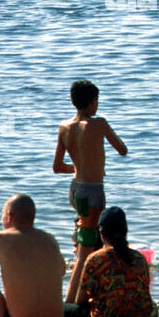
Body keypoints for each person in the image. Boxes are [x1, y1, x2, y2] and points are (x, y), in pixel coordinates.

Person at [54, 79, 127, 303]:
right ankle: (71, 303)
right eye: (97, 101)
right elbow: (122, 150)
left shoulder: (64, 127)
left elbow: (57, 167)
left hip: (75, 190)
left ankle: (84, 297)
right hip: (93, 192)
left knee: (85, 241)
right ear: (93, 102)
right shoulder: (99, 124)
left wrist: (80, 167)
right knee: (86, 247)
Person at [64, 206, 153, 317]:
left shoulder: (96, 259)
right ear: (126, 231)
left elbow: (80, 301)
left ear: (101, 232)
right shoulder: (139, 258)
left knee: (64, 310)